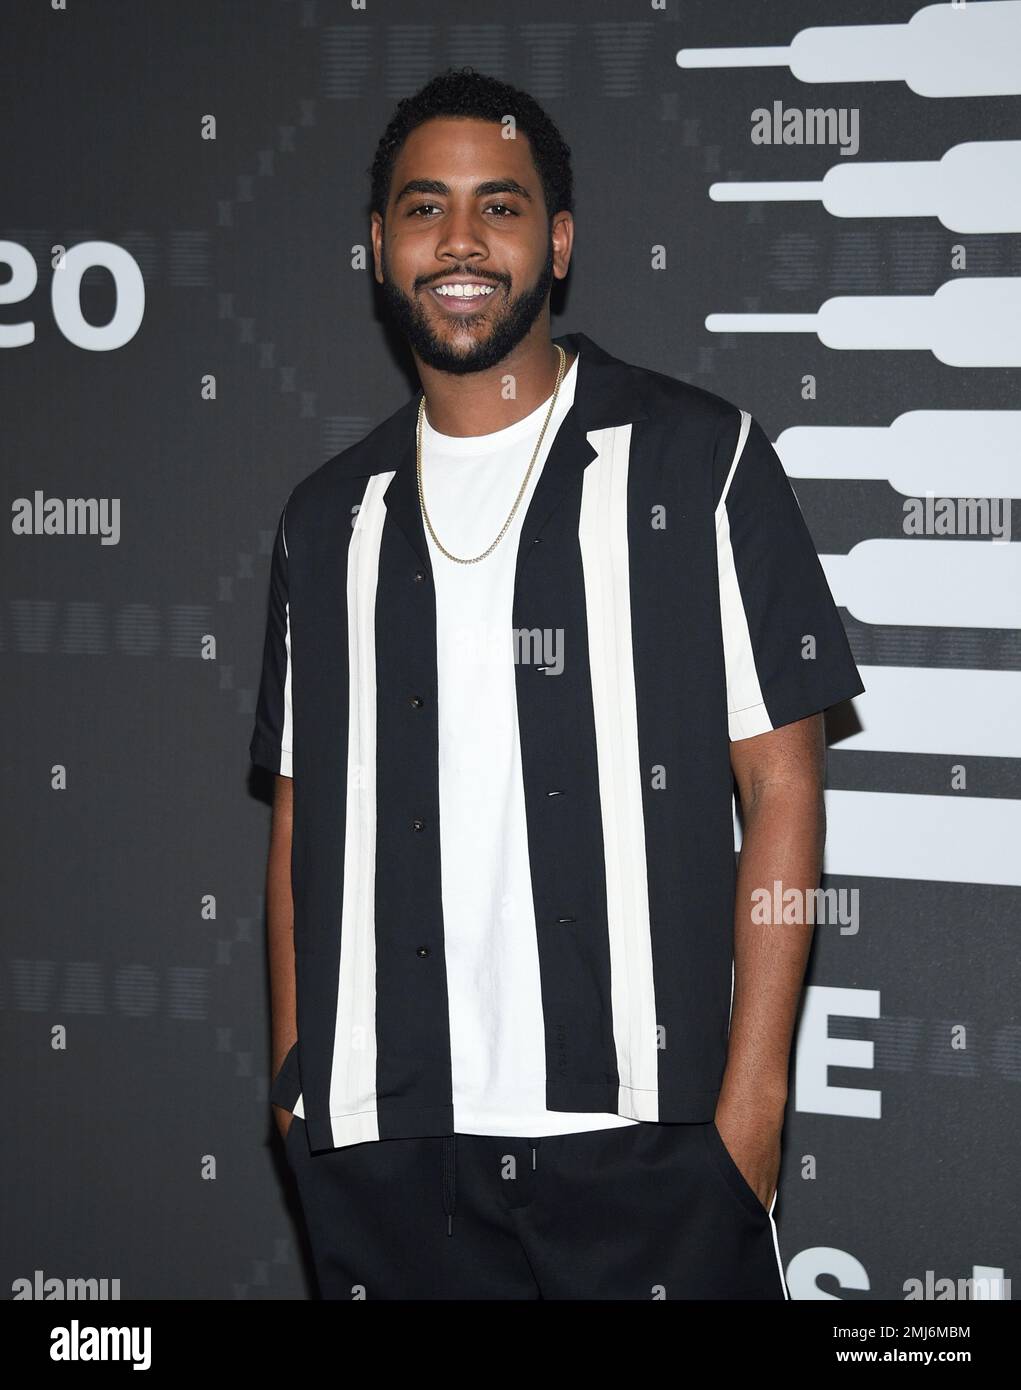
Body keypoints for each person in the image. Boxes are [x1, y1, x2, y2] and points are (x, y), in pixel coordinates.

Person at [250, 66, 865, 1300]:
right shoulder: (327, 521)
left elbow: (783, 790)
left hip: (649, 1151)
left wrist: (749, 1116)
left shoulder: (699, 458)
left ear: (560, 240)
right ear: (379, 249)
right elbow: (303, 823)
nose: (461, 240)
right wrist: (294, 1082)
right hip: (387, 1153)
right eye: (424, 209)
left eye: (502, 206)